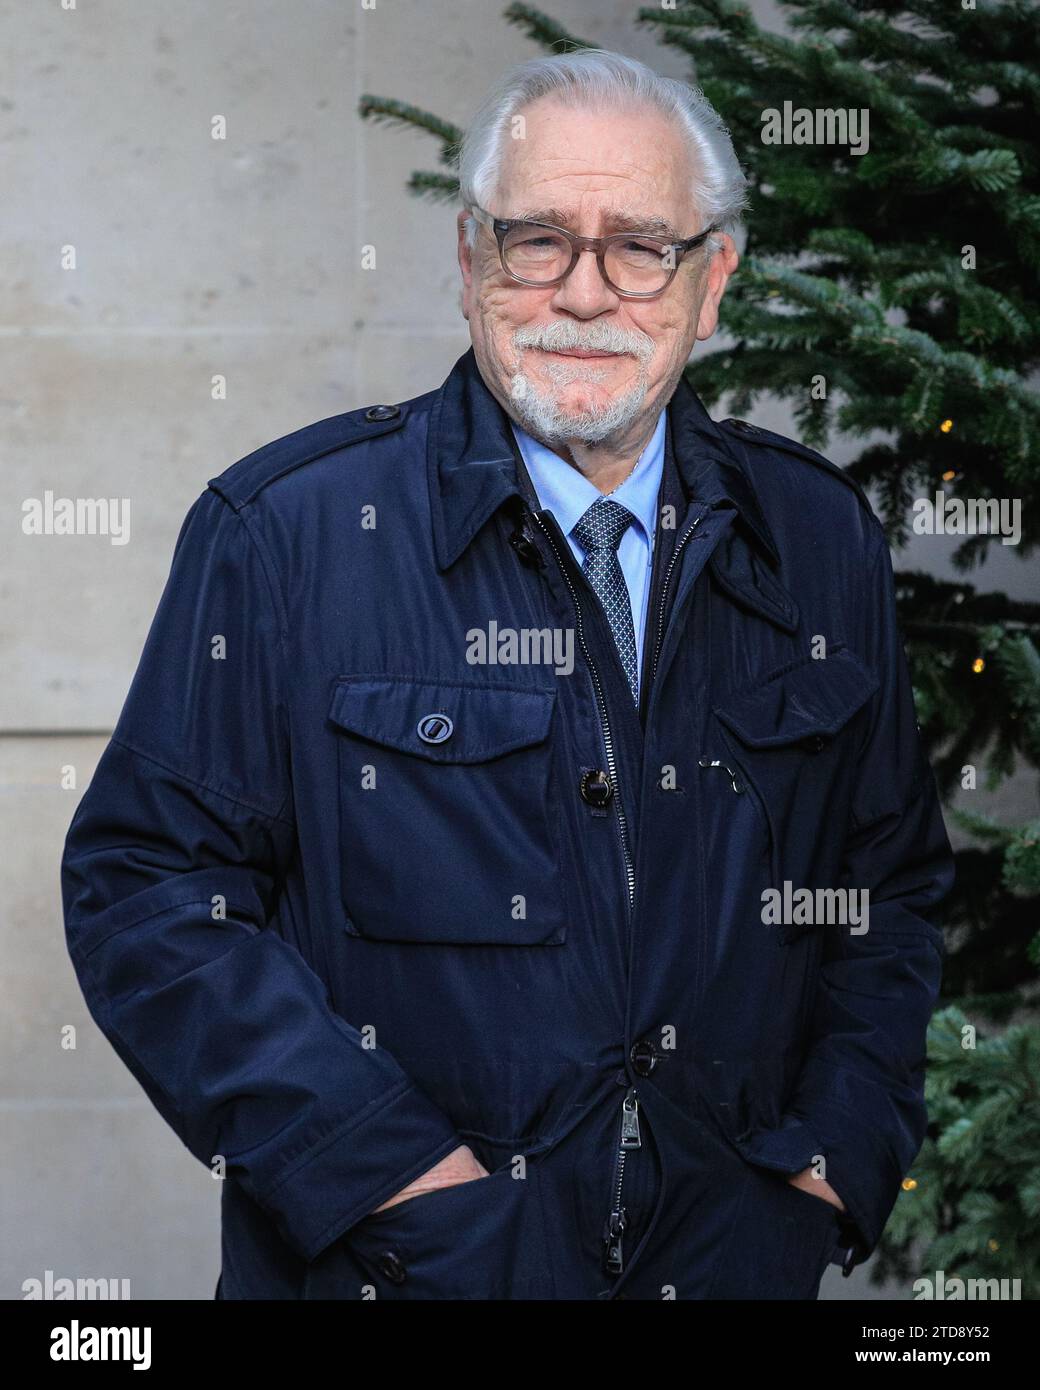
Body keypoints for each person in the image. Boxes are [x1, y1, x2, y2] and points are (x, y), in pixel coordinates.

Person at [60, 48, 954, 1300]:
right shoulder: (288, 532)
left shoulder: (816, 542)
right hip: (400, 1275)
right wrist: (394, 1183)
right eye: (538, 240)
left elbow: (886, 889)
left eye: (641, 246)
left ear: (711, 284)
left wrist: (822, 1168)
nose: (584, 294)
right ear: (473, 262)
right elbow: (148, 891)